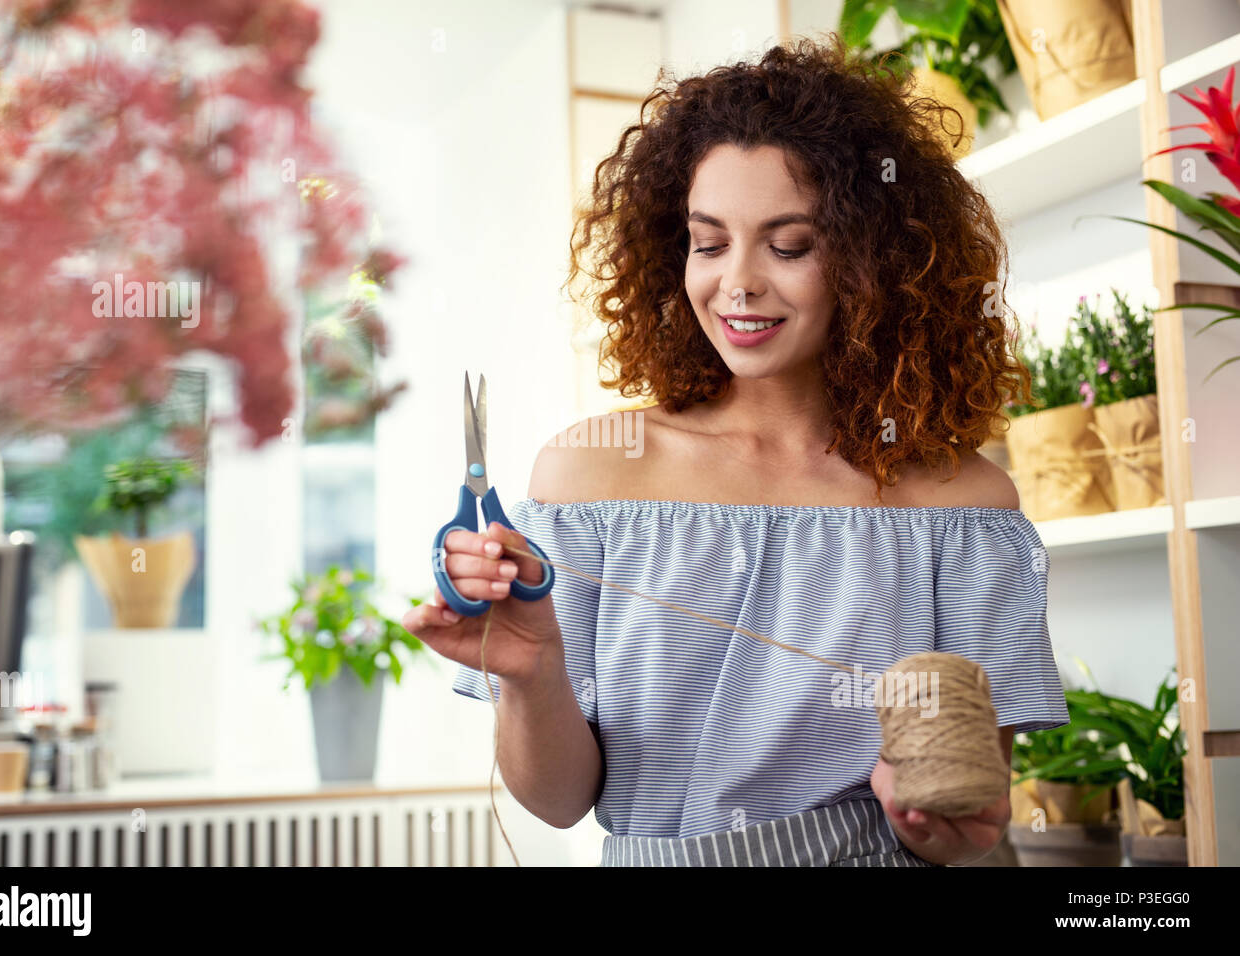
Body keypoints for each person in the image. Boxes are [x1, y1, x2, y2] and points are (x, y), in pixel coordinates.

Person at [402, 35, 1069, 867]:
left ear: (874, 264)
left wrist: (935, 817)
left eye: (789, 245)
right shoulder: (591, 475)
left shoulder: (962, 509)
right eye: (708, 242)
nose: (738, 282)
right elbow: (559, 802)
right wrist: (534, 672)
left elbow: (971, 818)